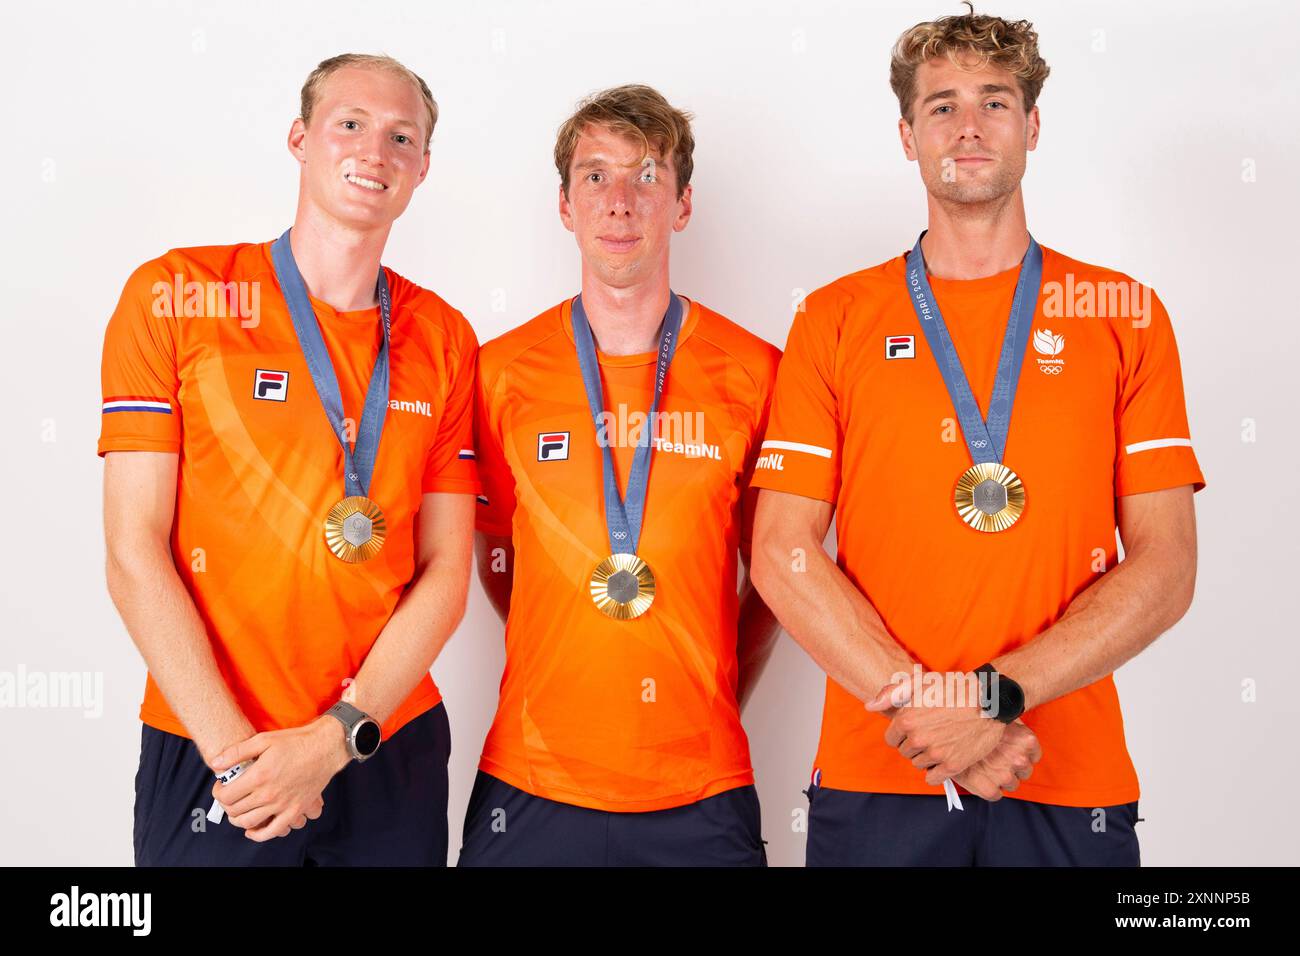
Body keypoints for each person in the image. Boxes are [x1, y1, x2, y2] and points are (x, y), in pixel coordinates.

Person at [750, 8, 1205, 866]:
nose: (967, 127)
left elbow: (1168, 566)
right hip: (879, 773)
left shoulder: (1123, 313)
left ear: (1032, 126)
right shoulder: (834, 318)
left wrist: (994, 698)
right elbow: (781, 552)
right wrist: (937, 718)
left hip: (1069, 781)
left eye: (994, 102)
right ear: (906, 135)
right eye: (941, 105)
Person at [99, 53, 479, 865]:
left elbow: (447, 570)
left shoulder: (444, 336)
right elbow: (133, 552)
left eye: (400, 136)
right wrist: (243, 759)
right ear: (300, 139)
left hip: (384, 741)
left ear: (421, 169)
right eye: (350, 125)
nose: (374, 152)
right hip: (215, 748)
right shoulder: (176, 295)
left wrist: (336, 740)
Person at [461, 84, 782, 866]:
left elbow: (775, 575)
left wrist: (699, 683)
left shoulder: (756, 370)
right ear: (566, 207)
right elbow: (497, 554)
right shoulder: (500, 371)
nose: (620, 202)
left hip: (701, 784)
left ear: (683, 205)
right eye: (595, 176)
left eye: (647, 177)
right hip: (531, 777)